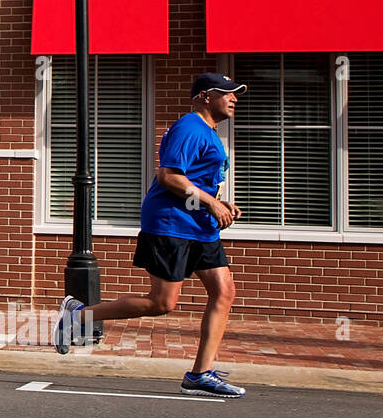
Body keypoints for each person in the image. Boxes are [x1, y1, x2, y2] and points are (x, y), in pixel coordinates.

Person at [53, 73, 250, 398]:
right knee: (161, 303)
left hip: (200, 227)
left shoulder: (210, 132)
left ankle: (200, 374)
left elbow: (194, 181)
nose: (234, 98)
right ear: (204, 96)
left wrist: (218, 203)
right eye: (227, 93)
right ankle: (79, 315)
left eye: (235, 94)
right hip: (171, 225)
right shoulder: (190, 127)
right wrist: (212, 202)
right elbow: (169, 175)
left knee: (224, 291)